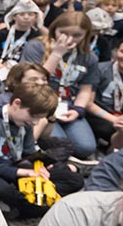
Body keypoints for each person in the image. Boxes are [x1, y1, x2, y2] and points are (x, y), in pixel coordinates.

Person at [0, 82, 83, 218]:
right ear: (17, 103)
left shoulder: (25, 120)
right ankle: (26, 206)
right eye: (34, 117)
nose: (35, 122)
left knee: (75, 180)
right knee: (3, 189)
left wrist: (38, 165)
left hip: (13, 164)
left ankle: (29, 204)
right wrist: (21, 172)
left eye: (40, 118)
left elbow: (28, 152)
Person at [21, 12, 101, 159]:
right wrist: (57, 54)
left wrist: (77, 110)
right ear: (54, 29)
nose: (69, 39)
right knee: (59, 144)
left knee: (86, 148)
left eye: (77, 35)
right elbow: (35, 82)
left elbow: (86, 89)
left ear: (86, 35)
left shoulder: (89, 57)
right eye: (63, 33)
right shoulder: (36, 46)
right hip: (38, 104)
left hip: (66, 105)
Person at [0, 0, 43, 80]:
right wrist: (0, 66)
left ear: (35, 17)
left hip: (25, 70)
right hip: (0, 67)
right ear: (14, 16)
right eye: (21, 14)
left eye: (30, 15)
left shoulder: (37, 36)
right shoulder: (2, 33)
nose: (26, 17)